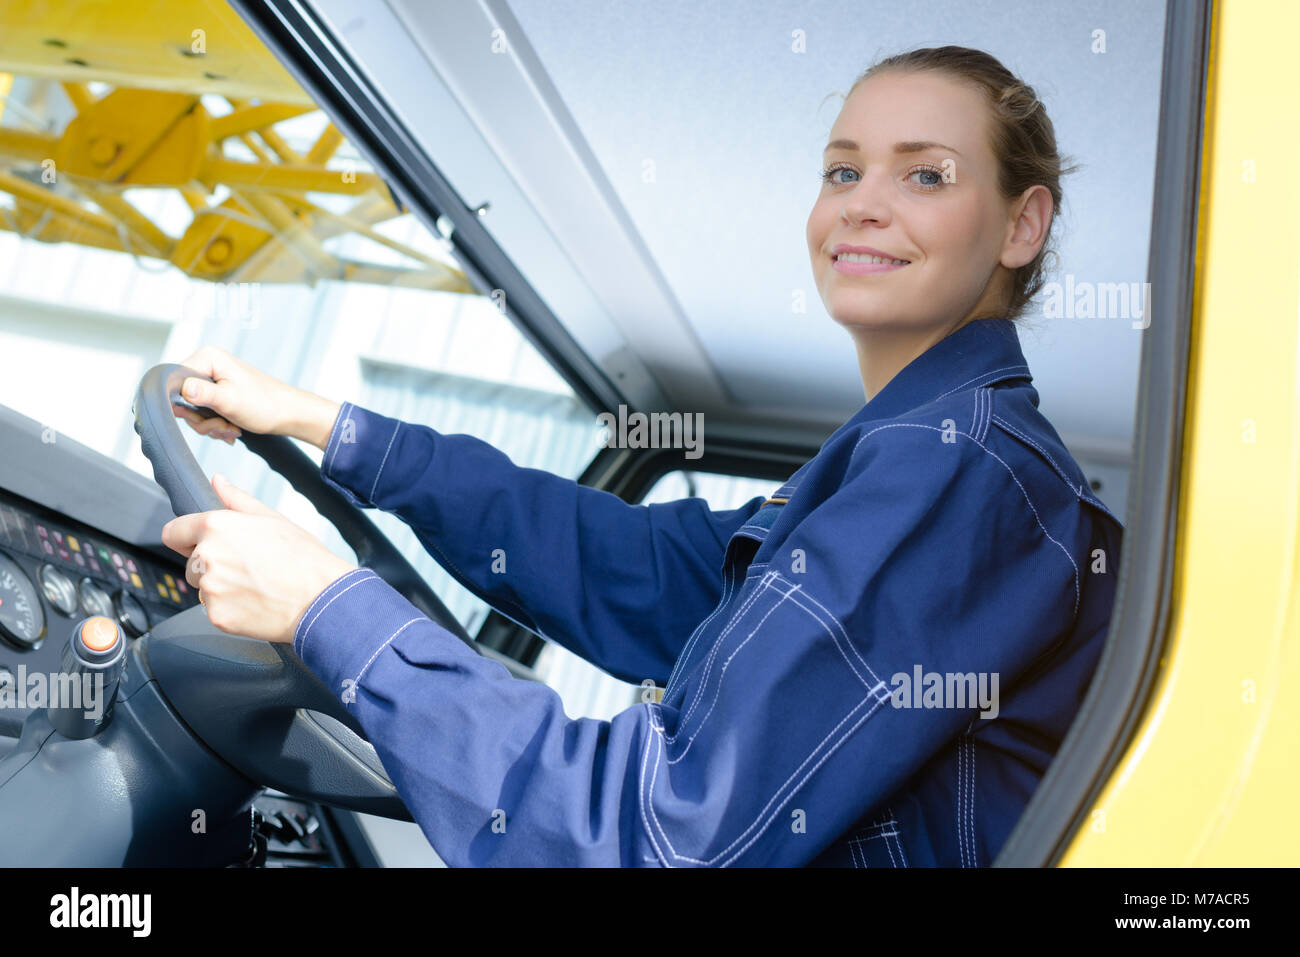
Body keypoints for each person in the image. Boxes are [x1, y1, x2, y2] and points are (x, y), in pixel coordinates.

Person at [161, 45, 1123, 867]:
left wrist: (332, 611)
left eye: (925, 175)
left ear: (1021, 224)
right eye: (842, 171)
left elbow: (659, 835)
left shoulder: (956, 470)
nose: (863, 205)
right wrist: (327, 426)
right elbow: (630, 567)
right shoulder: (913, 459)